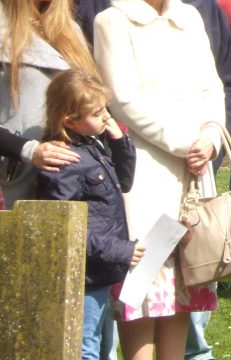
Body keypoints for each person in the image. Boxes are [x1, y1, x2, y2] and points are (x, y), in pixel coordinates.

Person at [92, 0, 225, 360]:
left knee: (183, 298)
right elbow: (124, 100)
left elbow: (213, 87)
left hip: (194, 179)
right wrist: (187, 142)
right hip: (146, 182)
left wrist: (210, 137)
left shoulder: (190, 17)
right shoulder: (113, 22)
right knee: (143, 298)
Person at [37, 69, 144, 360]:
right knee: (84, 347)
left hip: (104, 269)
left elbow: (124, 180)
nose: (105, 116)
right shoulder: (67, 160)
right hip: (86, 274)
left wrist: (118, 139)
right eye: (97, 113)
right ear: (70, 120)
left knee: (103, 345)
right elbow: (61, 227)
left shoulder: (91, 146)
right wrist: (117, 250)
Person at [1, 0, 95, 204]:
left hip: (69, 183)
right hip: (13, 182)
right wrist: (27, 150)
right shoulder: (4, 29)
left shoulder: (70, 32)